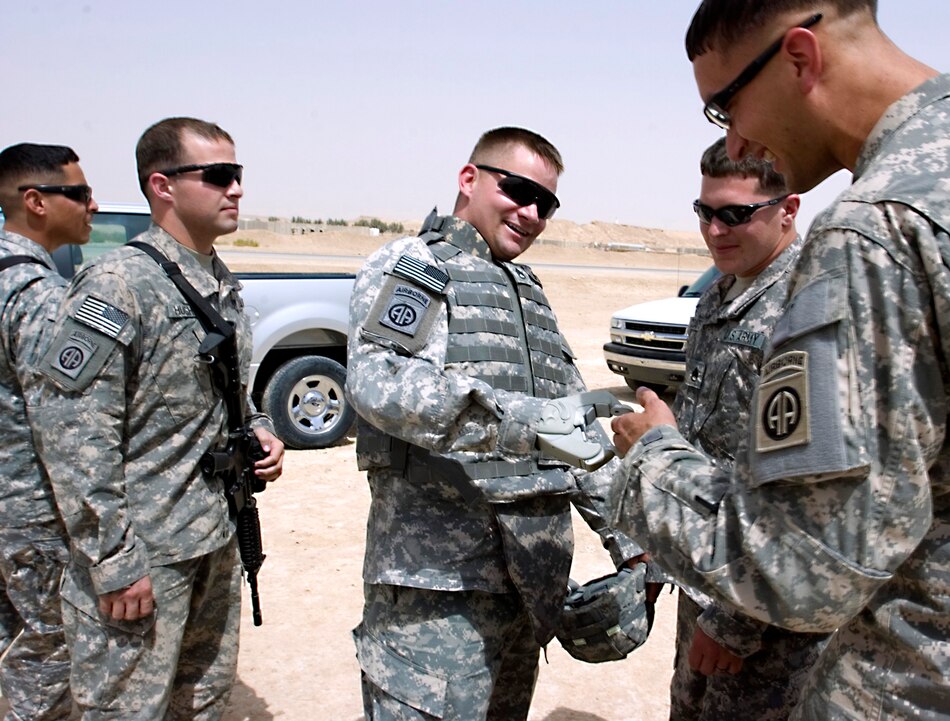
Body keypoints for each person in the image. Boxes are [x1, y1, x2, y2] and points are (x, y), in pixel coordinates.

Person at [603, 2, 950, 719]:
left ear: (800, 55)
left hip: (927, 689)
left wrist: (655, 460)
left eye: (724, 107)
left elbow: (806, 565)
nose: (736, 139)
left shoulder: (876, 229)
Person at [347, 126, 647, 721]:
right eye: (517, 189)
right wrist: (519, 423)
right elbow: (380, 381)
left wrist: (634, 544)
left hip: (526, 587)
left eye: (547, 203)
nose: (531, 212)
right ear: (469, 180)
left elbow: (573, 433)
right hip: (437, 591)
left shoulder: (527, 291)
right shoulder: (418, 266)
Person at [29, 117, 285, 720]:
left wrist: (260, 430)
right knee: (126, 710)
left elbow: (226, 394)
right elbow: (71, 432)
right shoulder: (118, 283)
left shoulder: (217, 280)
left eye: (238, 175)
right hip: (146, 553)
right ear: (163, 186)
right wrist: (114, 562)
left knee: (202, 701)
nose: (237, 190)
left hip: (215, 534)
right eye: (219, 176)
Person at [666, 139, 827, 721]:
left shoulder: (807, 306)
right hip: (706, 580)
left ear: (789, 209)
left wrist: (733, 623)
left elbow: (805, 493)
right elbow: (699, 438)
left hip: (765, 614)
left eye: (735, 214)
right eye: (705, 211)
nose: (715, 229)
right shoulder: (715, 299)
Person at [0, 143, 98, 720]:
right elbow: (65, 421)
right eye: (80, 193)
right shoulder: (37, 297)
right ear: (35, 201)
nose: (91, 205)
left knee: (14, 635)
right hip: (31, 510)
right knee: (53, 643)